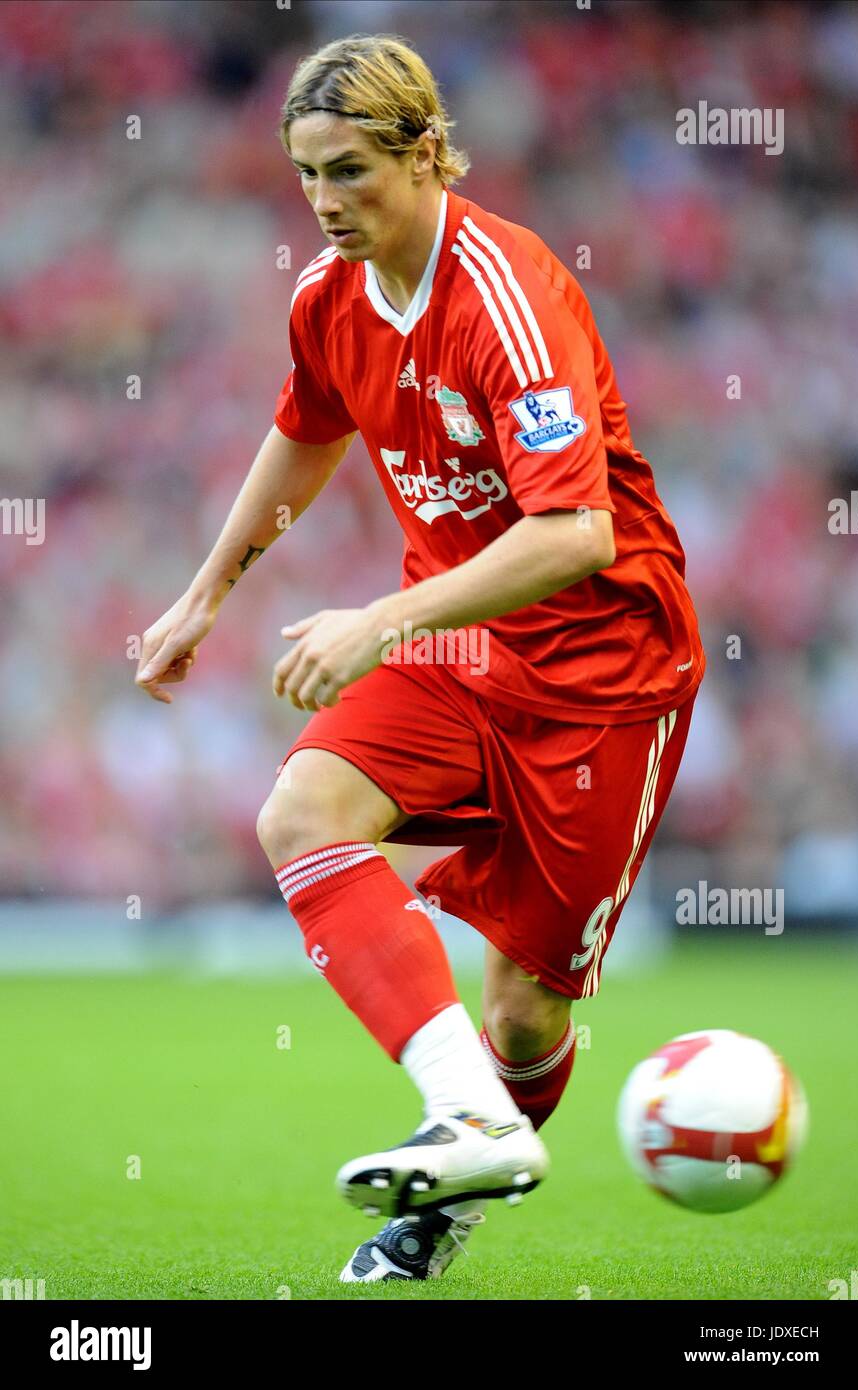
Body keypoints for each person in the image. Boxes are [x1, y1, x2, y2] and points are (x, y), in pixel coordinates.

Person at [135, 33, 705, 1285]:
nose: (327, 203)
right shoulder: (325, 300)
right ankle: (469, 1116)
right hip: (457, 650)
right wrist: (203, 596)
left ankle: (461, 1175)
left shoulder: (507, 289)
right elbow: (305, 432)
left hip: (604, 677)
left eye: (349, 171)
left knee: (525, 1010)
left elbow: (575, 533)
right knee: (302, 808)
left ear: (423, 151)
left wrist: (377, 621)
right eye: (305, 177)